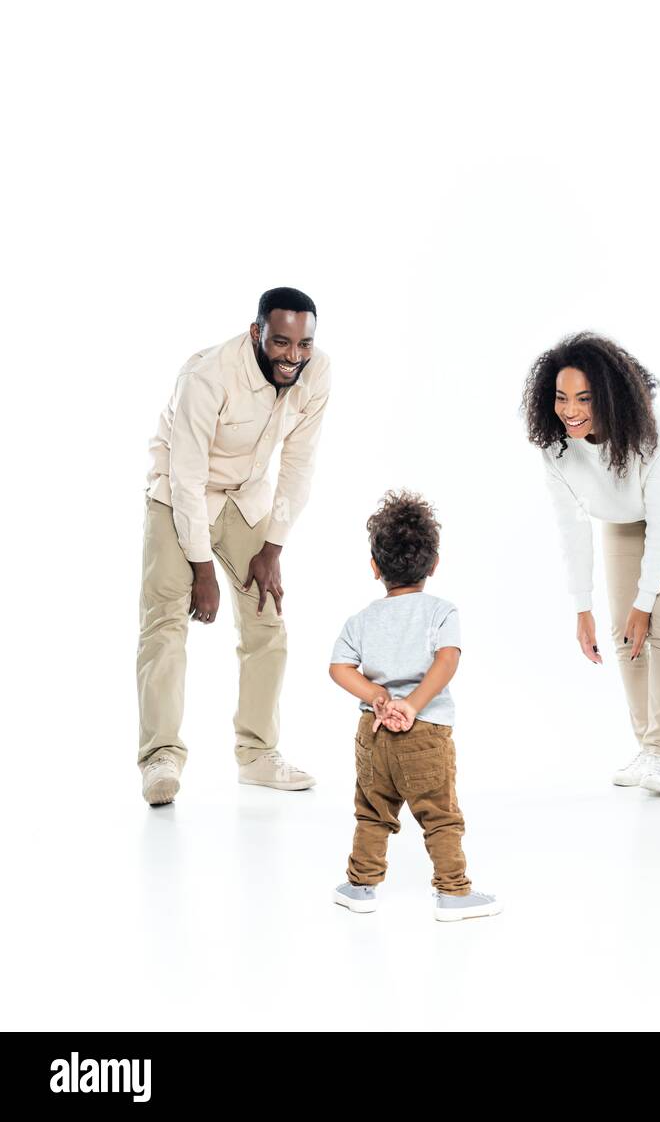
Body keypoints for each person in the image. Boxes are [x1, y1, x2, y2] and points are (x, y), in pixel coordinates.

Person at [136, 286, 331, 805]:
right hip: (179, 496)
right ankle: (161, 758)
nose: (293, 356)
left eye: (303, 344)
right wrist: (201, 569)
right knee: (165, 623)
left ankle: (258, 754)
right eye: (281, 342)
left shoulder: (317, 371)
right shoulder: (207, 375)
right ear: (257, 333)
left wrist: (273, 548)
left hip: (246, 499)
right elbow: (186, 475)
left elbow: (298, 464)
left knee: (267, 619)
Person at [522, 332, 660, 795]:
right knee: (624, 632)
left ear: (607, 396)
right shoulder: (557, 448)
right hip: (621, 515)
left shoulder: (651, 433)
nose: (570, 410)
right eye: (562, 398)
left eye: (584, 398)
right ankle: (646, 747)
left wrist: (645, 603)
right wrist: (582, 607)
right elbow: (573, 529)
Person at [328, 490, 503, 921]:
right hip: (423, 733)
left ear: (375, 567)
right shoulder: (440, 611)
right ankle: (453, 893)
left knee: (372, 811)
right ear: (434, 563)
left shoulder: (362, 618)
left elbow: (339, 667)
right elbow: (448, 659)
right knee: (440, 816)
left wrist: (378, 697)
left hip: (374, 733)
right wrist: (412, 704)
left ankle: (359, 886)